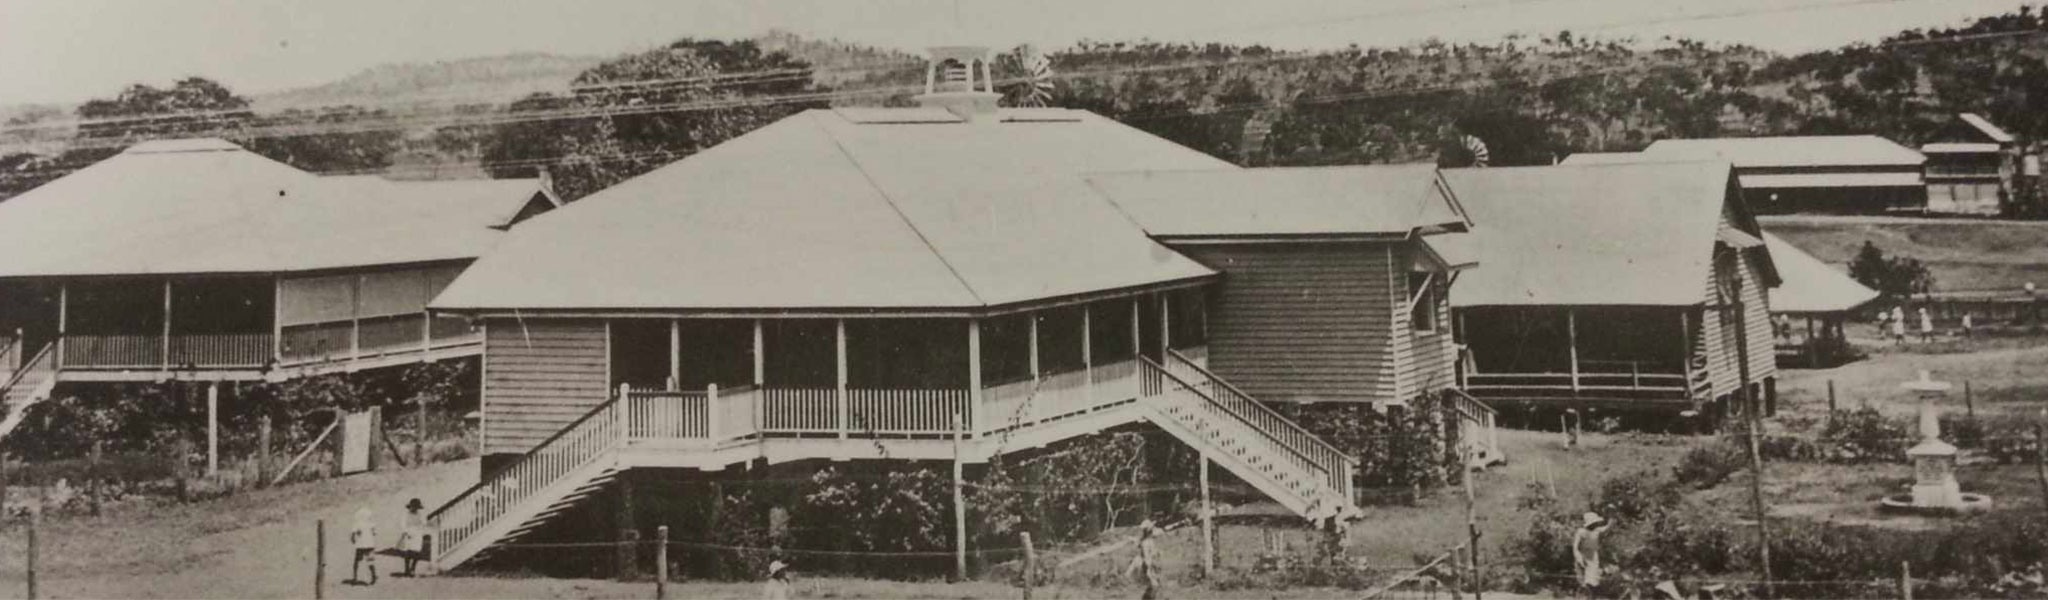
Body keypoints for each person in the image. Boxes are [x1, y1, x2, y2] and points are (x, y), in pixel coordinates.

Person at [1571, 512, 1610, 591]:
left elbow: (1607, 528)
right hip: (1583, 555)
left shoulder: (1597, 531)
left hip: (1593, 556)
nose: (1596, 524)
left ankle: (1592, 592)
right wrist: (1579, 558)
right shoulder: (1581, 532)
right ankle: (1584, 593)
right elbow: (1575, 547)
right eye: (1594, 523)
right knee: (1584, 581)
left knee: (1594, 580)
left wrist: (1612, 518)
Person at [397, 498, 427, 576]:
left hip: (417, 534)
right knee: (408, 552)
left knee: (416, 552)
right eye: (413, 506)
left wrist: (421, 531)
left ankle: (413, 568)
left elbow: (423, 523)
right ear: (410, 506)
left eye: (416, 507)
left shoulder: (420, 514)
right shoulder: (406, 514)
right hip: (408, 533)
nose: (414, 508)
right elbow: (402, 524)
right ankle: (407, 569)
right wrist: (406, 532)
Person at [350, 507, 379, 585]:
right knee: (370, 561)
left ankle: (355, 577)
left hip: (361, 545)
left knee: (357, 561)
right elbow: (375, 533)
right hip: (370, 544)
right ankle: (374, 575)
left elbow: (352, 535)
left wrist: (354, 539)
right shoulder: (371, 524)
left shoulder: (357, 524)